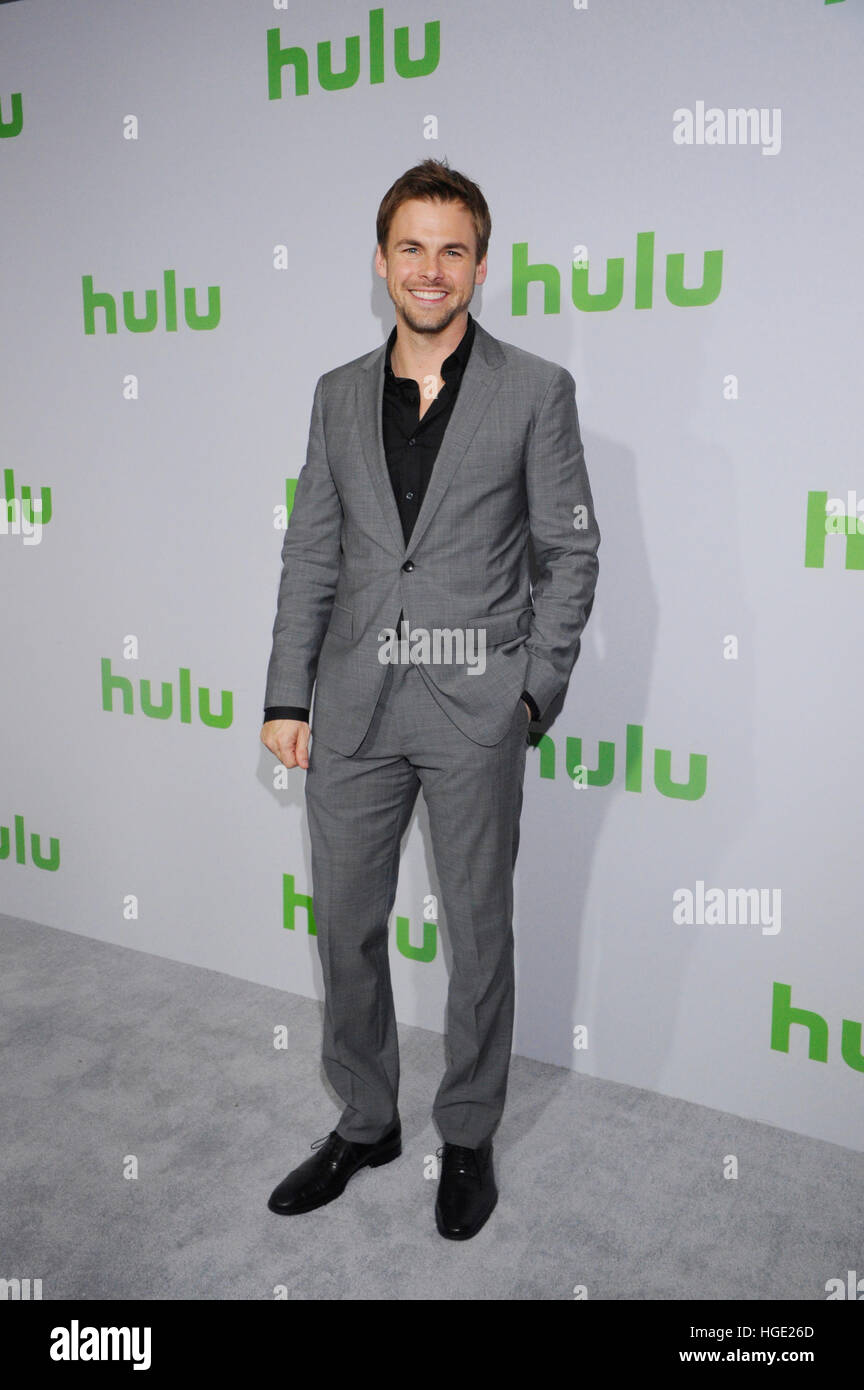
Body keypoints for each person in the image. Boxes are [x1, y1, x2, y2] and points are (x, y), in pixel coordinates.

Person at [260, 158, 600, 1240]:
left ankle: (467, 1131)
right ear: (381, 261)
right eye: (412, 246)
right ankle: (365, 1120)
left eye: (453, 249)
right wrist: (285, 693)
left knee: (478, 931)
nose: (431, 268)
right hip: (352, 705)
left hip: (473, 707)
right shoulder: (333, 394)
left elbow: (571, 552)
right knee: (348, 927)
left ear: (480, 266)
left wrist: (531, 695)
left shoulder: (536, 390)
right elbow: (313, 552)